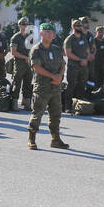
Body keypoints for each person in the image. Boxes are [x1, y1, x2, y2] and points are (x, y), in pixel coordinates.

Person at [27, 22, 69, 150]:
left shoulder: (56, 49)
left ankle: (55, 139)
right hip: (42, 87)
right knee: (37, 113)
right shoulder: (37, 50)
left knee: (56, 114)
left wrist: (60, 76)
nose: (50, 35)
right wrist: (53, 76)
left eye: (52, 33)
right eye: (47, 32)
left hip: (56, 87)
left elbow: (63, 64)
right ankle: (31, 139)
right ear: (41, 33)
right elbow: (36, 67)